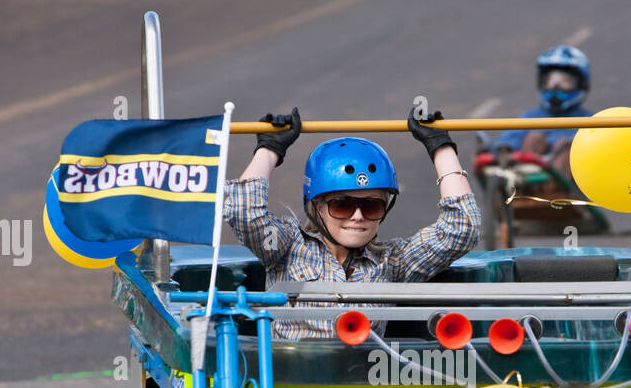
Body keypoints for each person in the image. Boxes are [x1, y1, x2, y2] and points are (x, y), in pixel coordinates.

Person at [224, 107, 480, 340]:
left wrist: (440, 146)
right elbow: (244, 212)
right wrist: (269, 150)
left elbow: (461, 228)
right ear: (317, 207)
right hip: (291, 382)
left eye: (371, 206)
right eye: (342, 205)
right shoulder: (286, 247)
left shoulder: (393, 262)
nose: (357, 216)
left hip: (362, 382)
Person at [494, 45, 594, 186]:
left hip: (569, 190)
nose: (555, 87)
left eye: (565, 80)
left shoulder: (591, 121)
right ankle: (528, 189)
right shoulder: (531, 116)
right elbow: (510, 139)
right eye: (550, 80)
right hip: (527, 183)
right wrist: (504, 149)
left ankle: (554, 194)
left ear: (581, 83)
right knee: (535, 138)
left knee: (568, 148)